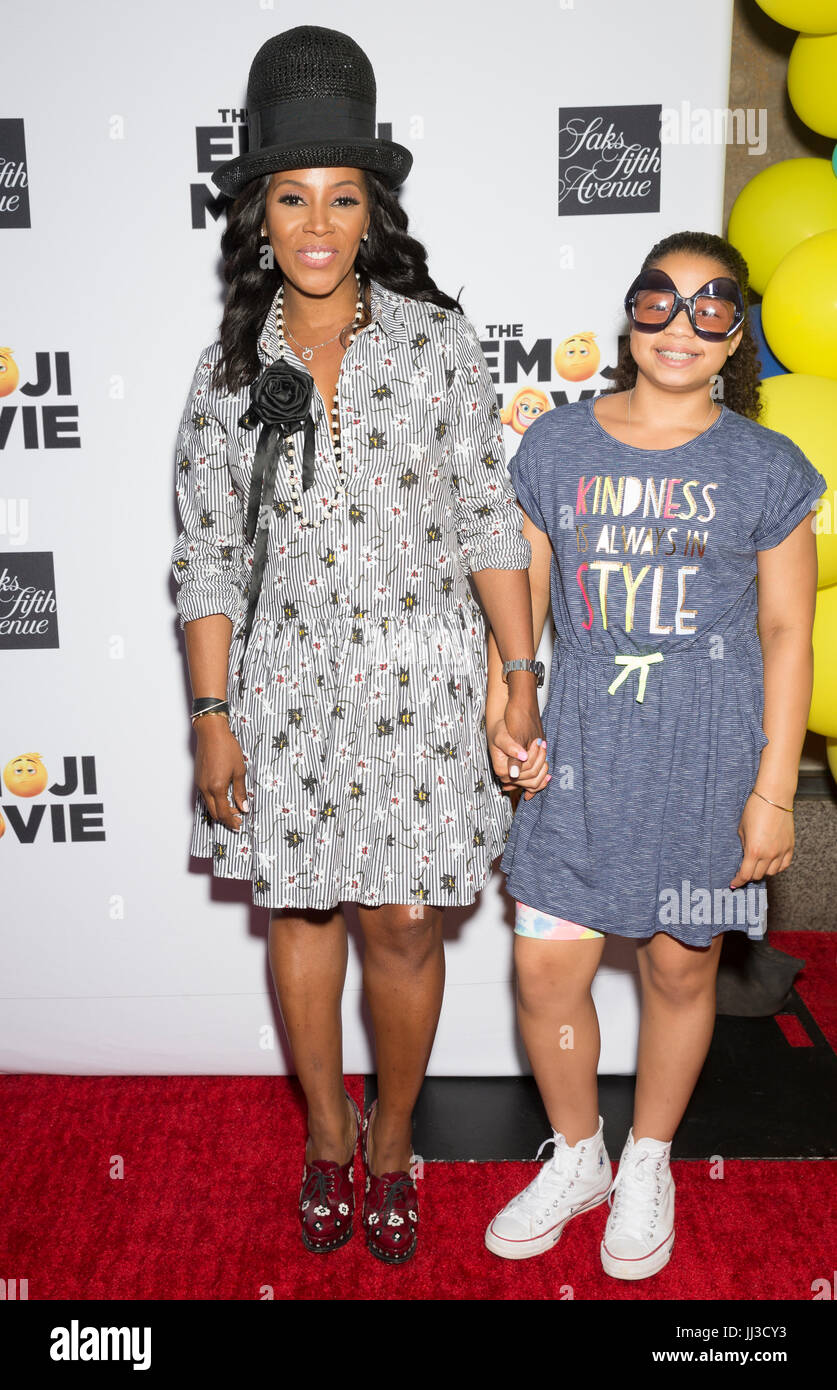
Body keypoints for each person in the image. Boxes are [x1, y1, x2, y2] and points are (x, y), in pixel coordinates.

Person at [170, 25, 542, 1265]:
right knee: (303, 918)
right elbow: (209, 553)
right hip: (281, 691)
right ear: (259, 212)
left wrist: (518, 677)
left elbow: (490, 517)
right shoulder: (227, 370)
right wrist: (211, 713)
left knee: (400, 925)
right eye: (291, 196)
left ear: (372, 208)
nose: (317, 223)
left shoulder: (437, 339)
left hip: (424, 684)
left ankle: (394, 1148)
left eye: (342, 197)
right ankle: (327, 1138)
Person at [484, 230, 826, 1280]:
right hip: (580, 749)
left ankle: (649, 1159)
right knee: (546, 972)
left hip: (712, 759)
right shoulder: (555, 447)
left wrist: (776, 794)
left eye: (714, 307)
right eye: (659, 300)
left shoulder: (767, 466)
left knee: (684, 972)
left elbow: (787, 633)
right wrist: (508, 706)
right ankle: (579, 1152)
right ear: (629, 315)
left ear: (738, 337)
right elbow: (522, 601)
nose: (683, 325)